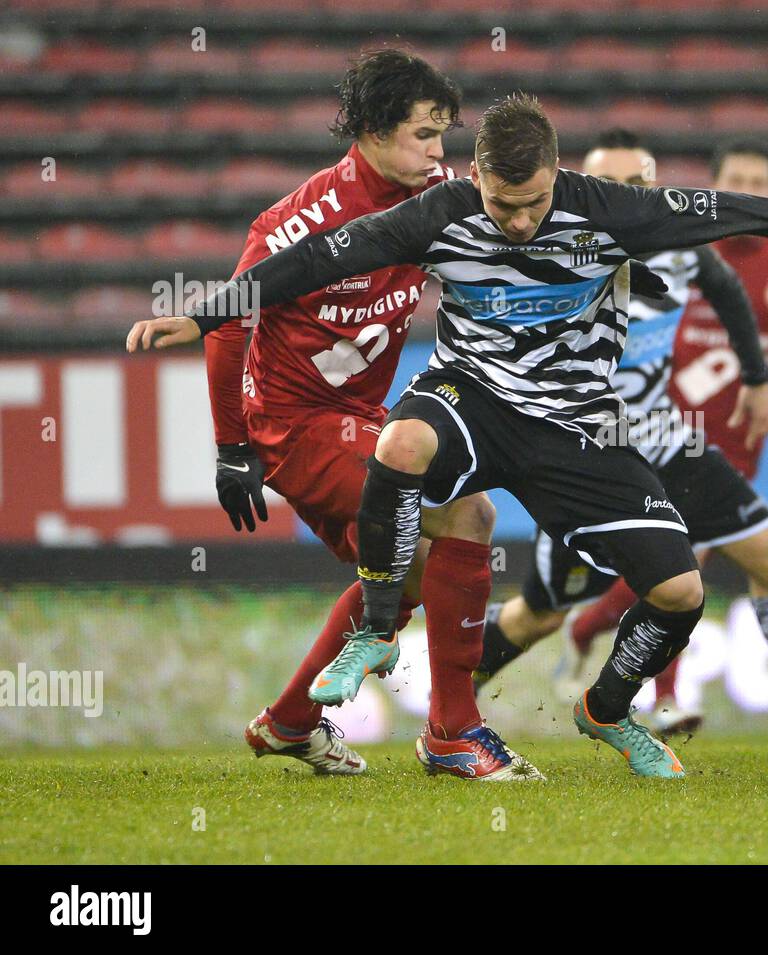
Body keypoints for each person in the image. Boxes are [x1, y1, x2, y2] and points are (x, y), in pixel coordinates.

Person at [126, 93, 768, 779]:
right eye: (500, 203)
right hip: (472, 397)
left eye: (533, 202)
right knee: (399, 445)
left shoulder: (614, 211)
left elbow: (745, 212)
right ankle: (376, 632)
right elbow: (310, 262)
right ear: (474, 174)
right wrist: (203, 314)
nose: (517, 222)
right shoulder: (437, 211)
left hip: (577, 423)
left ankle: (607, 707)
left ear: (559, 172)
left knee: (680, 593)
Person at [471, 130, 768, 747]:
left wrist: (755, 379)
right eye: (609, 185)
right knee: (541, 612)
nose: (624, 196)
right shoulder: (553, 253)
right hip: (592, 458)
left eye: (636, 185)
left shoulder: (680, 247)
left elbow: (726, 290)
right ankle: (453, 696)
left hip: (671, 445)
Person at [183, 49, 535, 781]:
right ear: (374, 130)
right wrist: (231, 446)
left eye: (445, 134)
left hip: (360, 410)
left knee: (412, 568)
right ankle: (453, 731)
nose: (441, 152)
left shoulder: (437, 193)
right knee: (465, 516)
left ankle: (289, 722)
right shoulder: (298, 222)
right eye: (423, 134)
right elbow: (226, 321)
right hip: (295, 421)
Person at [566, 139, 768, 734]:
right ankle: (646, 701)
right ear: (713, 188)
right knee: (680, 572)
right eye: (738, 178)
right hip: (641, 438)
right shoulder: (600, 249)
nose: (750, 188)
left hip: (724, 443)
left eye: (760, 177)